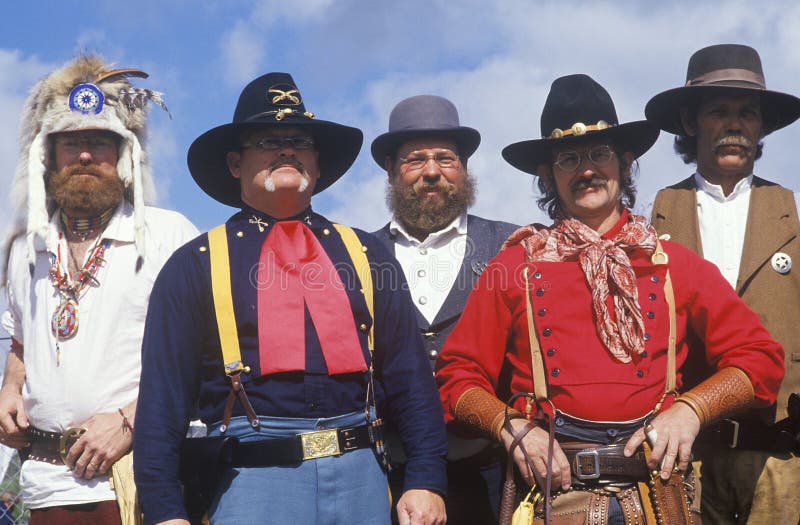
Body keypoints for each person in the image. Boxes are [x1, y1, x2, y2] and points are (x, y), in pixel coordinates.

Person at [436, 74, 784, 524]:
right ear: (547, 174)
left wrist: (692, 410)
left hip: (660, 497)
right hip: (554, 496)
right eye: (569, 158)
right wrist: (513, 428)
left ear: (625, 161)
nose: (587, 170)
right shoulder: (513, 269)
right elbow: (456, 378)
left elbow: (760, 359)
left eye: (600, 154)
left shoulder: (674, 264)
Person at [133, 72, 448, 525]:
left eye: (300, 141)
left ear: (317, 165)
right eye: (268, 141)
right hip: (252, 482)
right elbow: (163, 399)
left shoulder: (366, 253)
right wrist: (165, 511)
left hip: (362, 474)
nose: (287, 150)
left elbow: (410, 378)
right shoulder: (194, 264)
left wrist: (426, 478)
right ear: (235, 164)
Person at [0, 55, 197, 525]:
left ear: (125, 154)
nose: (85, 155)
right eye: (71, 143)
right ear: (46, 157)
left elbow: (205, 359)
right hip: (41, 486)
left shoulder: (170, 236)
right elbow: (22, 341)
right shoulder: (25, 248)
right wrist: (10, 387)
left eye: (99, 143)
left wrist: (131, 419)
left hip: (137, 482)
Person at [644, 44, 800, 524]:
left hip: (780, 459)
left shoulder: (793, 213)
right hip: (685, 458)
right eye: (719, 111)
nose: (735, 125)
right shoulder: (650, 220)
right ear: (690, 124)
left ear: (761, 127)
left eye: (747, 113)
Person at [371, 94, 517, 524]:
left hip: (496, 472)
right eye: (415, 159)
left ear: (465, 168)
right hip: (393, 477)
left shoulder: (513, 245)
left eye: (445, 158)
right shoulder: (360, 253)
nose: (432, 172)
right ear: (391, 170)